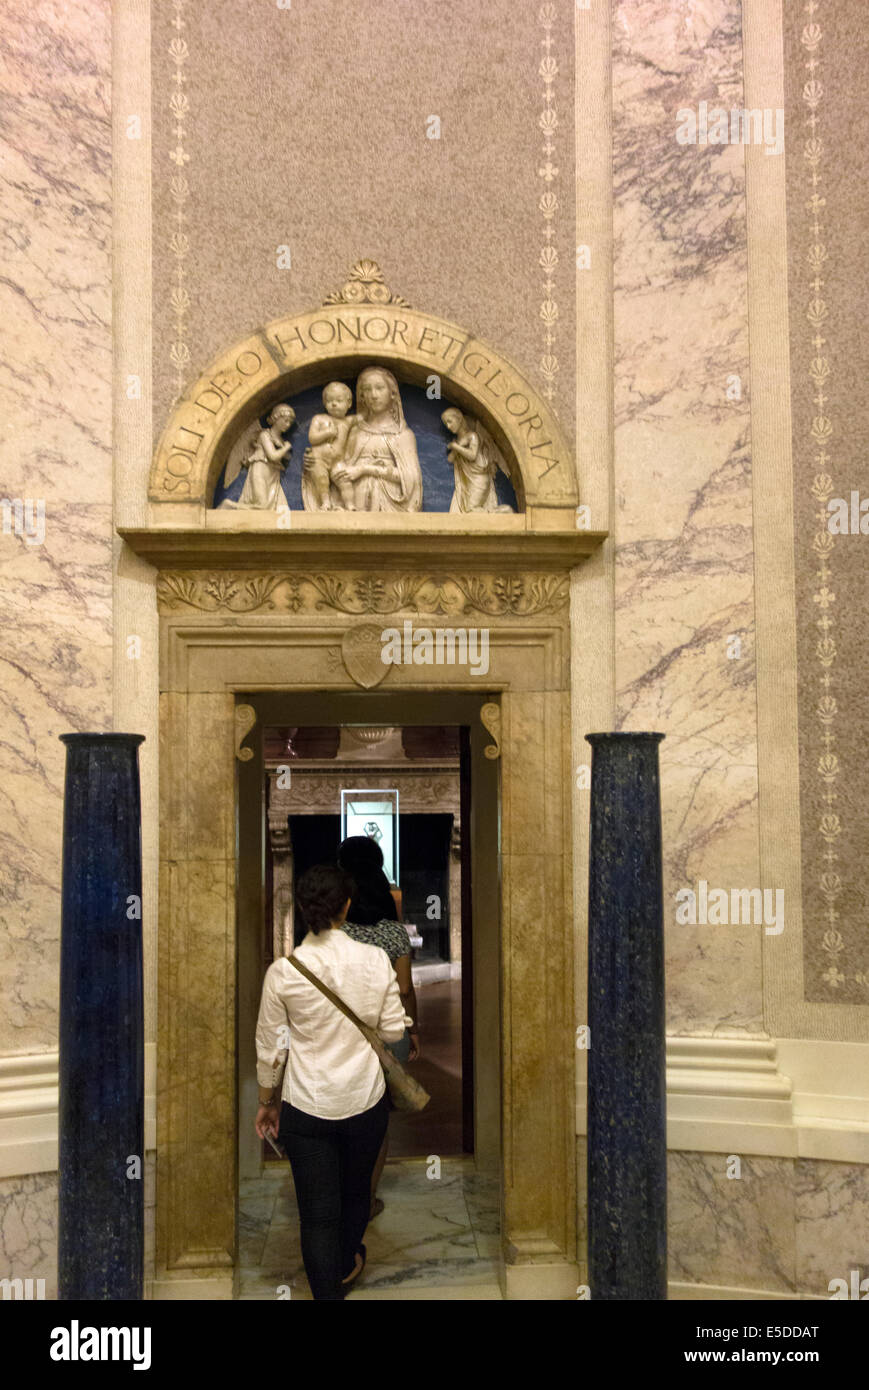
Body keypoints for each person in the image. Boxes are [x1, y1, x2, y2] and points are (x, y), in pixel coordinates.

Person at [254, 863, 411, 1301]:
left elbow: (272, 1048)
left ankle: (328, 1291)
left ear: (302, 909)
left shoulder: (283, 973)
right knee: (356, 1193)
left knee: (317, 1214)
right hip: (366, 1100)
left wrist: (267, 1101)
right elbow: (395, 1031)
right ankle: (346, 1263)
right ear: (346, 905)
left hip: (307, 1106)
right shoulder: (375, 960)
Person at [337, 835, 419, 1219]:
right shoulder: (393, 931)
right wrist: (413, 1031)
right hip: (388, 1034)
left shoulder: (334, 932)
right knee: (378, 1121)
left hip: (341, 1037)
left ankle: (340, 1198)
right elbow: (404, 988)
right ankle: (367, 1201)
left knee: (341, 1117)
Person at [331, 366, 423, 511]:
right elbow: (337, 464)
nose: (374, 395)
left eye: (380, 388)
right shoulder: (355, 431)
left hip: (390, 505)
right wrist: (317, 462)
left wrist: (365, 469)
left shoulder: (402, 435)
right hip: (355, 503)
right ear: (362, 396)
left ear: (392, 393)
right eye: (367, 390)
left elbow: (411, 478)